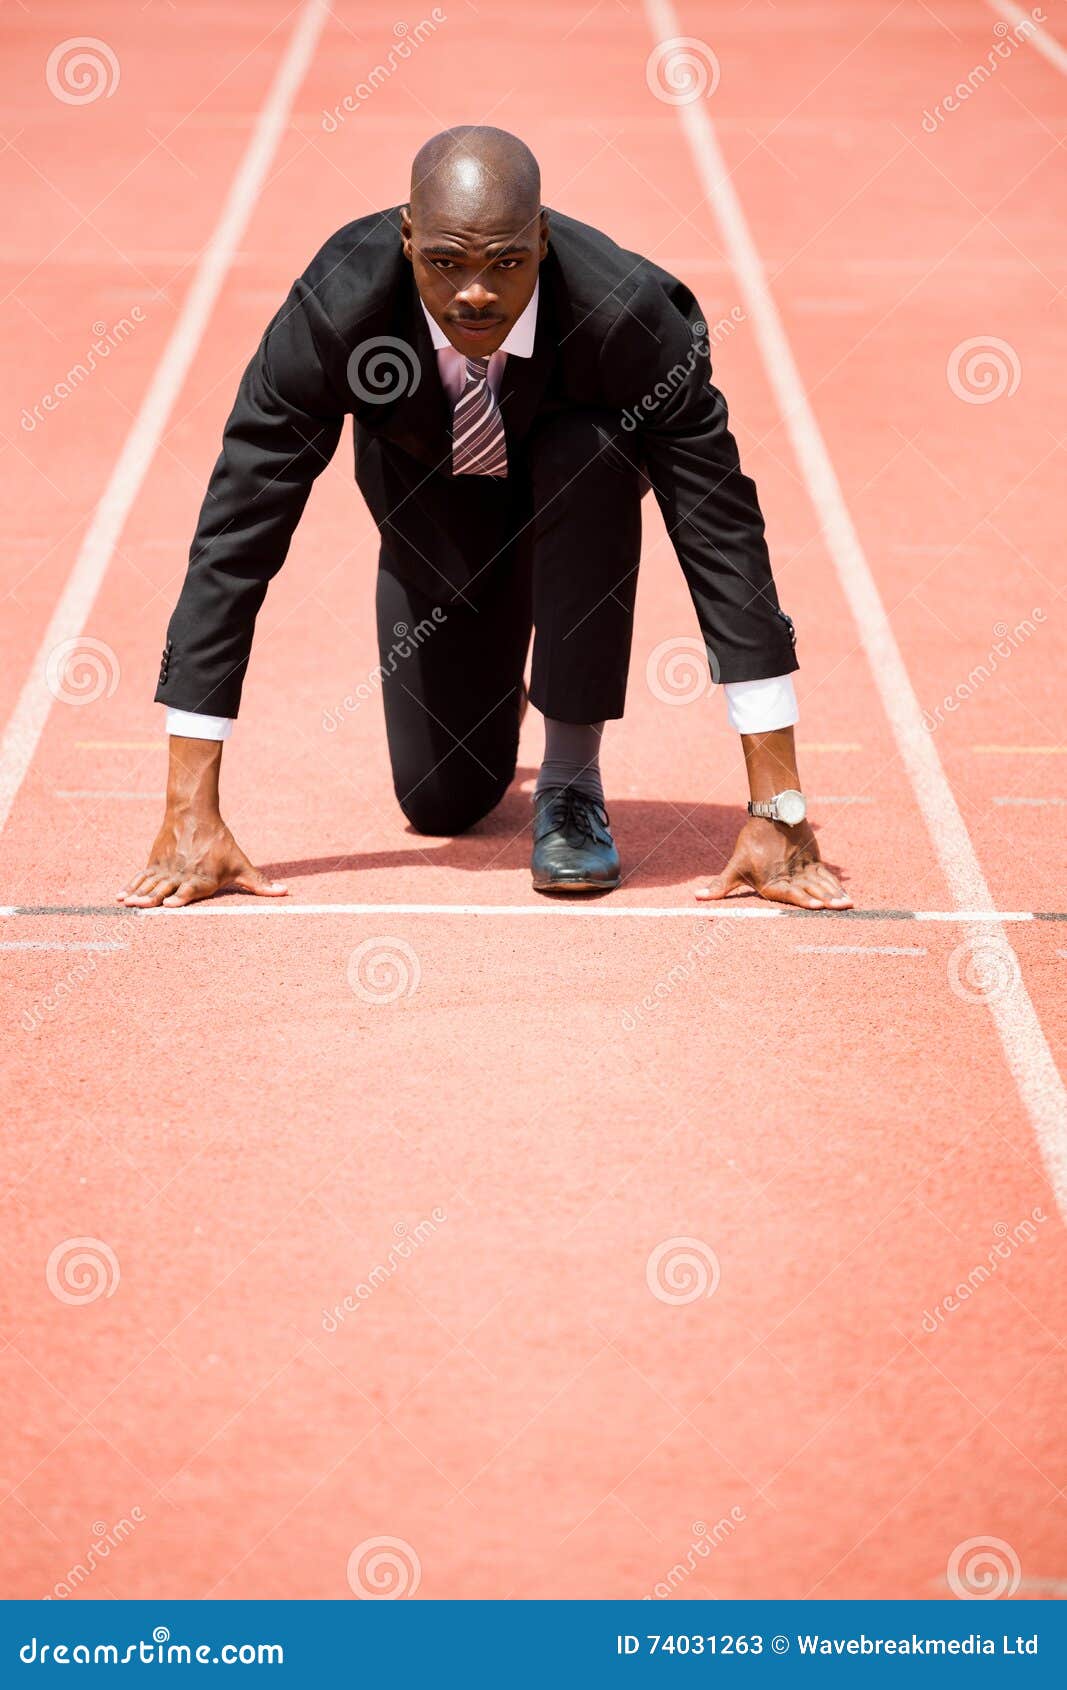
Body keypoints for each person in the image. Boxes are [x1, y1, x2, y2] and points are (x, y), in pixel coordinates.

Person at [119, 126, 851, 911]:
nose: (475, 291)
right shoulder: (334, 313)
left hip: (575, 507)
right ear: (406, 241)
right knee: (441, 804)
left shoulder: (627, 315)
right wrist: (187, 810)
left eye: (505, 262)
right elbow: (238, 534)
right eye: (445, 263)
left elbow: (722, 536)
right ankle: (497, 647)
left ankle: (570, 780)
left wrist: (779, 809)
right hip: (433, 530)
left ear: (540, 238)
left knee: (590, 448)